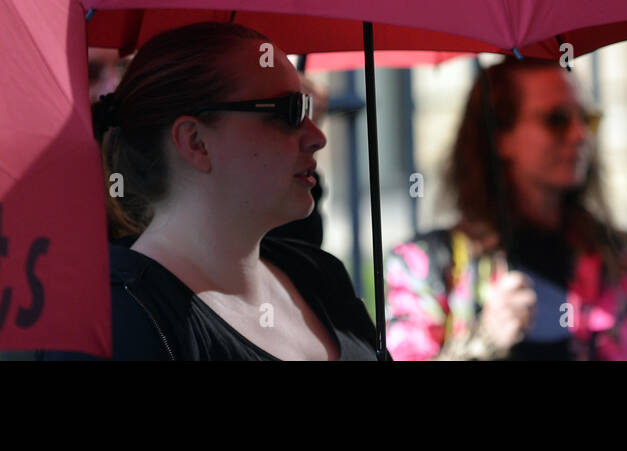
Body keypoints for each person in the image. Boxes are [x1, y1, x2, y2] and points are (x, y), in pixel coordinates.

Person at [40, 22, 387, 361]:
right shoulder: (120, 323)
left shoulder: (317, 273)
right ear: (195, 142)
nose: (317, 136)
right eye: (288, 112)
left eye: (307, 108)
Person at [385, 57, 627, 361]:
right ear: (500, 137)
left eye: (587, 119)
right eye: (557, 120)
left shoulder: (623, 258)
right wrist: (484, 342)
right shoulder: (427, 266)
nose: (579, 135)